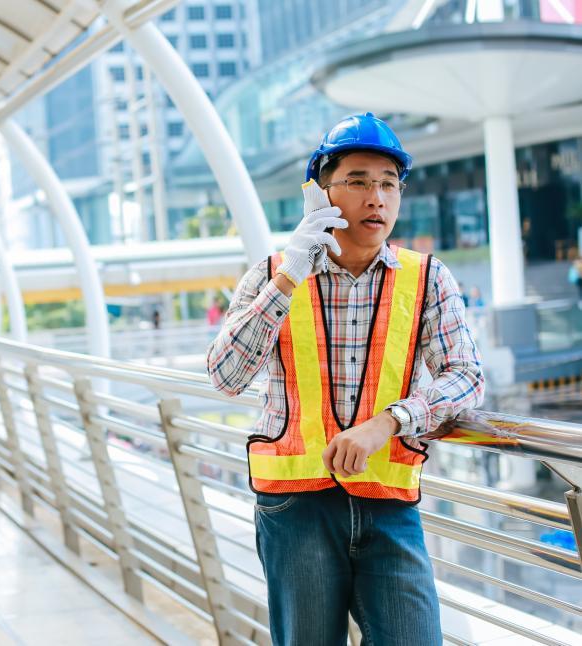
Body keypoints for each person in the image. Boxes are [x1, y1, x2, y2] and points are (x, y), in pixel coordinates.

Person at [207, 113, 484, 645]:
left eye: (388, 183)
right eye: (357, 181)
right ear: (321, 194)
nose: (375, 198)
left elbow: (467, 377)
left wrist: (390, 421)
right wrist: (291, 274)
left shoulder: (427, 278)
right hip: (295, 507)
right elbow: (225, 377)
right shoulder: (272, 276)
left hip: (389, 503)